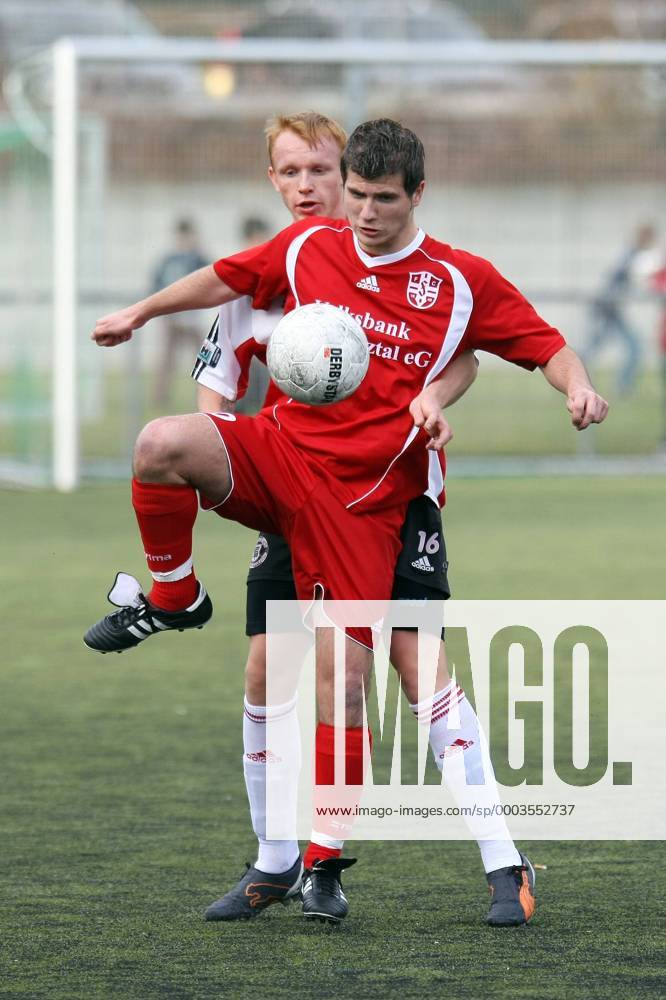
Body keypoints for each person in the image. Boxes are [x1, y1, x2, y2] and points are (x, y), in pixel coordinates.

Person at [84, 118, 609, 929]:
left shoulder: (457, 279)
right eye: (353, 193)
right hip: (281, 460)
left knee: (378, 674)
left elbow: (531, 346)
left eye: (379, 197)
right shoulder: (303, 250)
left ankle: (388, 861)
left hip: (377, 503)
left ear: (417, 194)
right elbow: (222, 285)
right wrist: (141, 312)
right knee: (163, 451)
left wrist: (574, 386)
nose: (362, 211)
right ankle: (181, 608)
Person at [190, 112, 486, 926]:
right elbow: (213, 397)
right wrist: (232, 465)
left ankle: (472, 858)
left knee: (395, 670)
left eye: (322, 170)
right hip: (290, 495)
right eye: (290, 172)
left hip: (391, 502)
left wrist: (434, 398)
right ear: (272, 181)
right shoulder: (261, 283)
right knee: (266, 669)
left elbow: (464, 346)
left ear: (353, 177)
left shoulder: (402, 264)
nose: (308, 186)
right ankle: (274, 859)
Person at [582, 222, 659, 394]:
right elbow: (621, 281)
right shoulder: (631, 256)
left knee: (628, 347)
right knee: (593, 349)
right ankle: (575, 380)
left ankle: (622, 388)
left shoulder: (632, 255)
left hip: (612, 310)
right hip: (606, 310)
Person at [150, 217, 209, 406]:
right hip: (174, 318)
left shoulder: (197, 258)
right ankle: (160, 397)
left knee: (204, 360)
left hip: (193, 318)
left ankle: (207, 395)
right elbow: (156, 284)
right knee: (167, 361)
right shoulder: (169, 260)